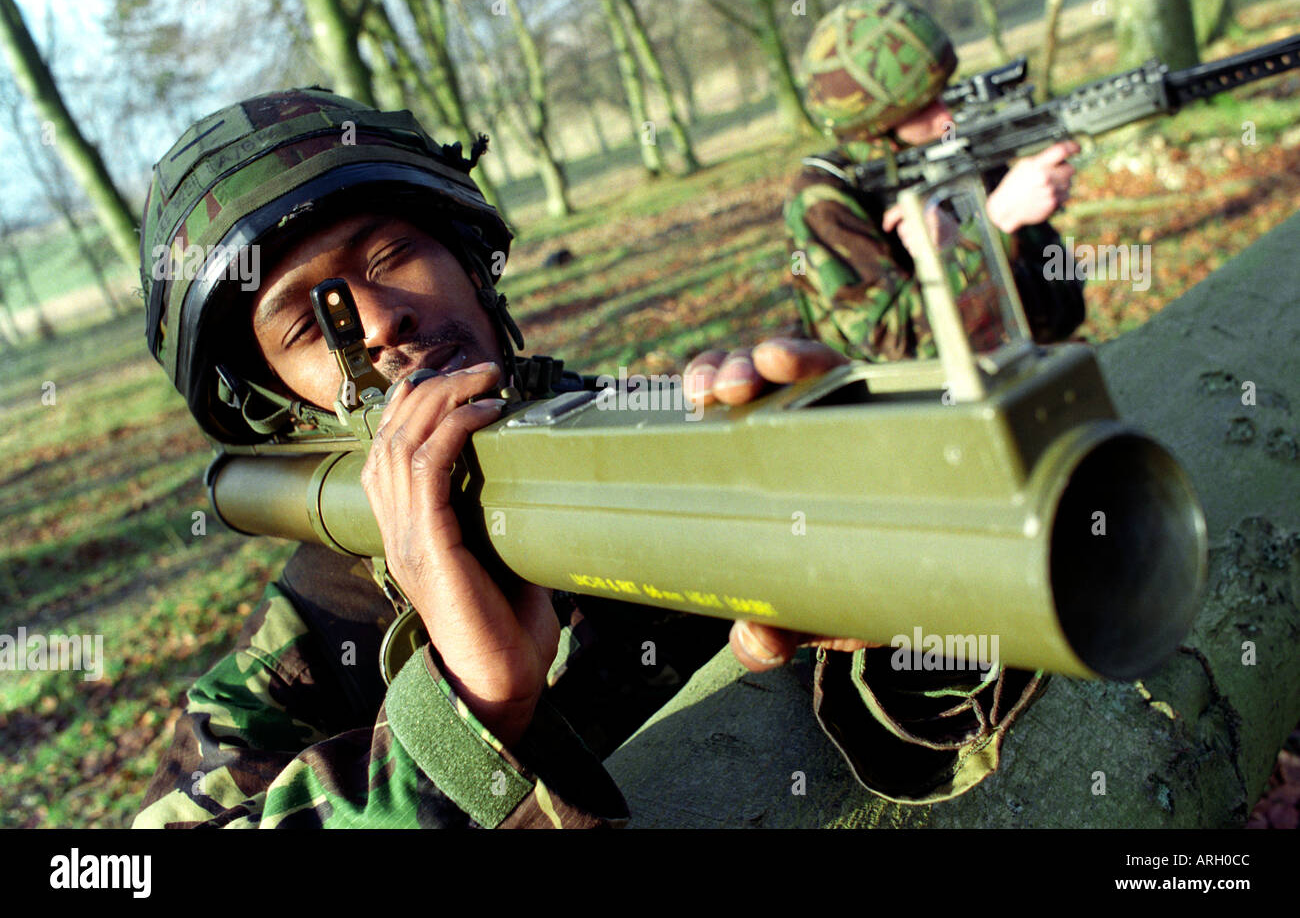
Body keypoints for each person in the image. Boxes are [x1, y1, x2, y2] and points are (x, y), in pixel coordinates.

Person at [134, 87, 888, 828]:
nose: (376, 320)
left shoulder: (656, 447)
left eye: (393, 255)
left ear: (469, 265)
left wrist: (854, 499)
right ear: (272, 405)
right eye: (308, 325)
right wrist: (467, 713)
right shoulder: (296, 667)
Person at [786, 0, 1086, 361]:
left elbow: (1065, 309)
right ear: (872, 128)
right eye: (922, 108)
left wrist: (972, 246)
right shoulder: (825, 199)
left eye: (944, 94)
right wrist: (991, 229)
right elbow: (900, 354)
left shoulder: (961, 153)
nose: (947, 118)